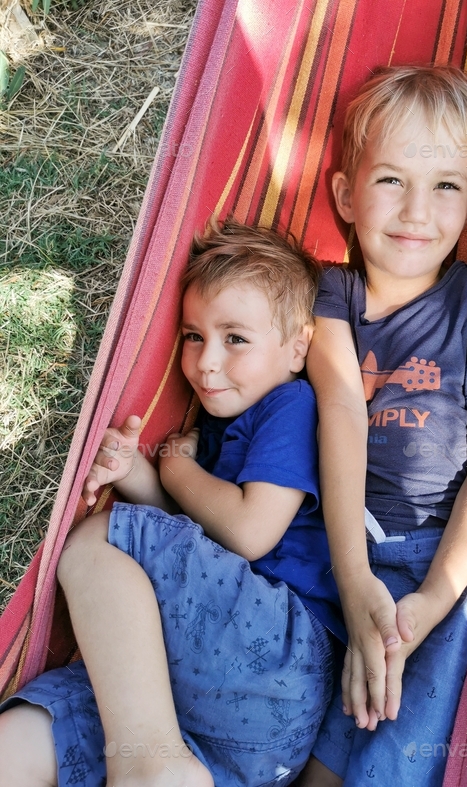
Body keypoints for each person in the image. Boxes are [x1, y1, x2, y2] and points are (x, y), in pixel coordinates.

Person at [0, 219, 345, 787]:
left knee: (99, 541)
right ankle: (150, 762)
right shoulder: (217, 426)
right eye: (193, 336)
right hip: (222, 737)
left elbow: (250, 531)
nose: (207, 361)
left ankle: (146, 767)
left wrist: (176, 467)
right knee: (18, 743)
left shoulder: (291, 405)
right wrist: (132, 470)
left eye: (235, 338)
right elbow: (183, 532)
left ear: (297, 347)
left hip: (279, 656)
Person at [298, 65, 467, 786]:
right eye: (392, 179)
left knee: (397, 749)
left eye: (446, 186)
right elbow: (340, 410)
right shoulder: (329, 294)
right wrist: (354, 577)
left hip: (435, 554)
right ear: (345, 195)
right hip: (337, 539)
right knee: (321, 753)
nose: (417, 211)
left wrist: (431, 598)